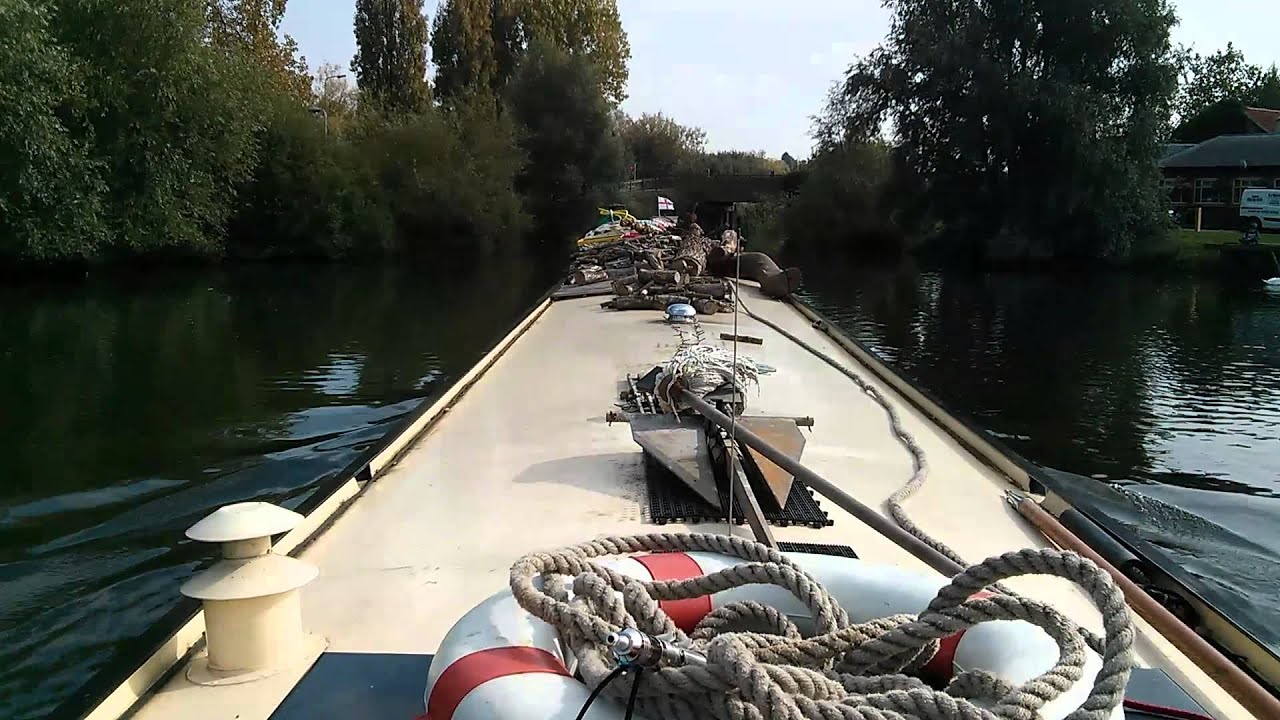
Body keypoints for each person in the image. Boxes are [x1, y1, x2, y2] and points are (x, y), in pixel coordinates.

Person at [669, 214, 802, 299]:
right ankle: (772, 280)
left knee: (759, 259)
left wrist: (726, 247)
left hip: (724, 258)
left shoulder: (702, 240)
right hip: (720, 263)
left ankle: (774, 277)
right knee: (758, 260)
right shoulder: (697, 242)